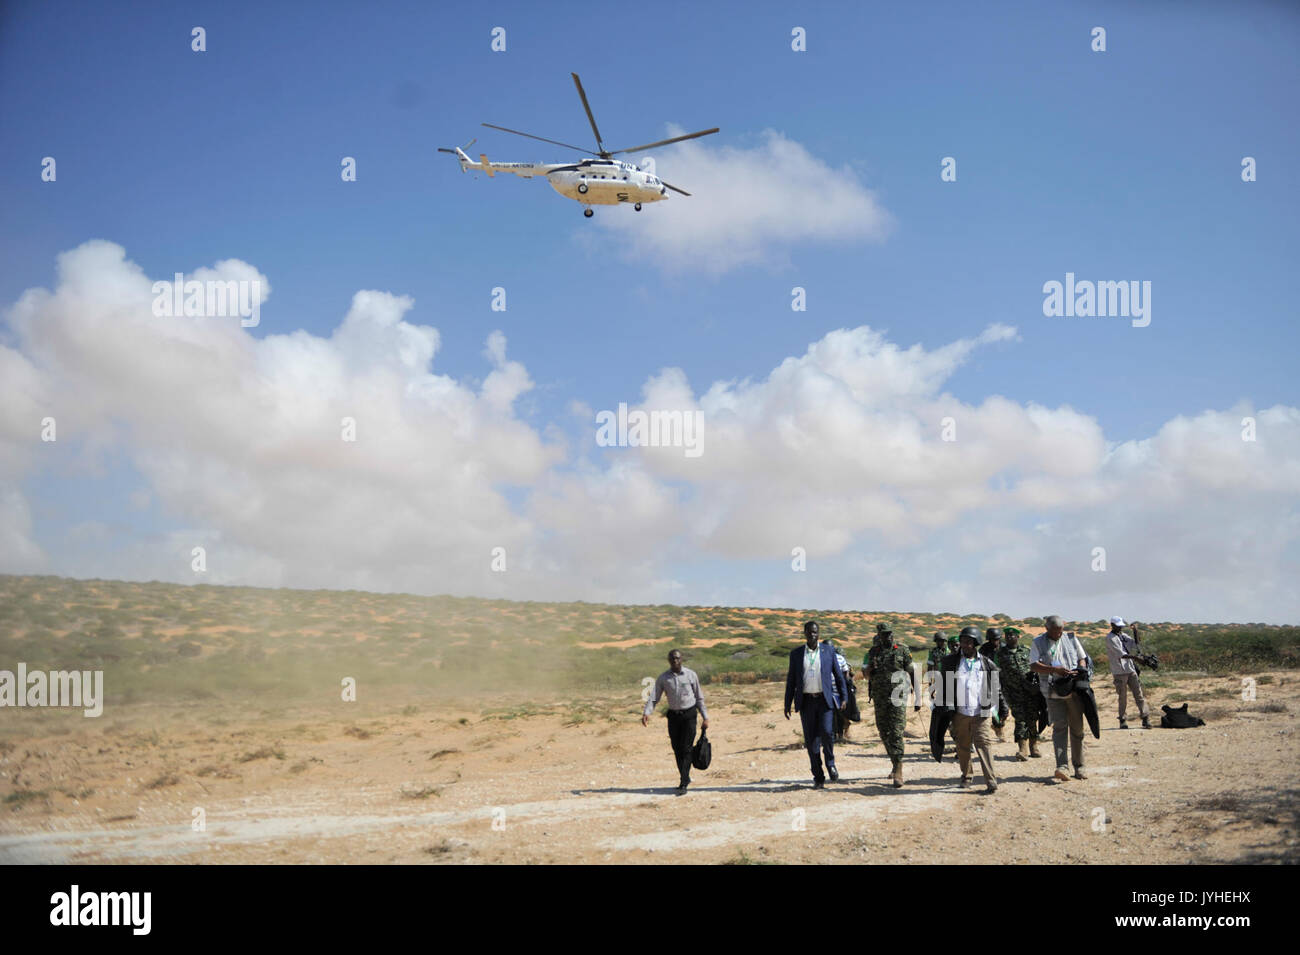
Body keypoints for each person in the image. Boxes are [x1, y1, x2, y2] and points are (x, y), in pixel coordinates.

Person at [1029, 615, 1093, 783]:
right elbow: (1033, 665)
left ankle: (1079, 766)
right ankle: (1062, 766)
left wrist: (1080, 669)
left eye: (1061, 631)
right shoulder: (1038, 642)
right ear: (1047, 628)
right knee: (1060, 728)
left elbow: (1082, 658)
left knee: (1077, 729)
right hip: (1052, 692)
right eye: (1055, 631)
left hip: (1072, 690)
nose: (1059, 634)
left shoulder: (1071, 638)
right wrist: (1053, 670)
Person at [784, 620, 848, 788]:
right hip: (806, 702)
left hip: (824, 700)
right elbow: (791, 681)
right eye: (810, 632)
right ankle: (818, 776)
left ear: (819, 634)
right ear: (805, 633)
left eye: (816, 632)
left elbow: (839, 676)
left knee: (827, 733)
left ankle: (830, 763)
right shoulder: (796, 654)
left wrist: (844, 697)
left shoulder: (828, 651)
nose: (813, 635)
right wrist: (787, 703)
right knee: (811, 740)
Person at [940, 626, 999, 794]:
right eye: (962, 642)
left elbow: (996, 688)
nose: (964, 645)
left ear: (976, 644)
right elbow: (943, 685)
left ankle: (991, 780)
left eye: (968, 642)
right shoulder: (950, 662)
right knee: (963, 745)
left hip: (982, 712)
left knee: (984, 745)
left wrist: (1000, 709)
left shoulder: (987, 663)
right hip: (960, 712)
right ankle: (966, 776)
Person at [641, 649, 709, 792]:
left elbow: (699, 697)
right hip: (673, 716)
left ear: (682, 659)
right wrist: (647, 712)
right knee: (677, 748)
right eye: (672, 659)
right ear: (668, 661)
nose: (675, 661)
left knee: (687, 747)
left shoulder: (691, 675)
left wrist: (705, 717)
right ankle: (685, 775)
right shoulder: (664, 678)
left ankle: (684, 781)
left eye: (677, 658)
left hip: (689, 715)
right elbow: (654, 697)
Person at [863, 622, 920, 788]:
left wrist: (917, 698)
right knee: (883, 731)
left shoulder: (902, 650)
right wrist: (870, 669)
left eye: (889, 633)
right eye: (883, 634)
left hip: (898, 697)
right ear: (879, 636)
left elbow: (912, 672)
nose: (887, 636)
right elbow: (865, 675)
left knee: (896, 731)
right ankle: (894, 762)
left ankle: (898, 767)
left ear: (892, 634)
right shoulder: (873, 652)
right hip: (880, 698)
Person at [995, 627, 1042, 760]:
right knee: (1020, 719)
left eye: (1012, 635)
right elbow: (996, 672)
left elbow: (1035, 667)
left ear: (1018, 637)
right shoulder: (1000, 654)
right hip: (1013, 692)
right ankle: (1022, 749)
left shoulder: (1027, 651)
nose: (1009, 637)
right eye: (1007, 635)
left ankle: (1034, 747)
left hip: (1030, 691)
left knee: (1032, 718)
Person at [1105, 616, 1151, 730]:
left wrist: (1135, 632)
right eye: (1118, 626)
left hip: (1130, 669)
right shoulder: (1110, 638)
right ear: (1112, 625)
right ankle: (1122, 719)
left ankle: (1145, 718)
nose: (1120, 627)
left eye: (1121, 626)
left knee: (1139, 694)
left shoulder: (1122, 635)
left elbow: (1135, 644)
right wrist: (1136, 658)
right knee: (1123, 697)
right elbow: (1121, 654)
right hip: (1119, 671)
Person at [981, 628, 1008, 742]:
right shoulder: (984, 649)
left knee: (1005, 707)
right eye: (992, 639)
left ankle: (999, 724)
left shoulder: (1004, 647)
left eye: (996, 639)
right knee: (994, 706)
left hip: (1005, 679)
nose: (995, 641)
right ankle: (998, 726)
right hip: (990, 680)